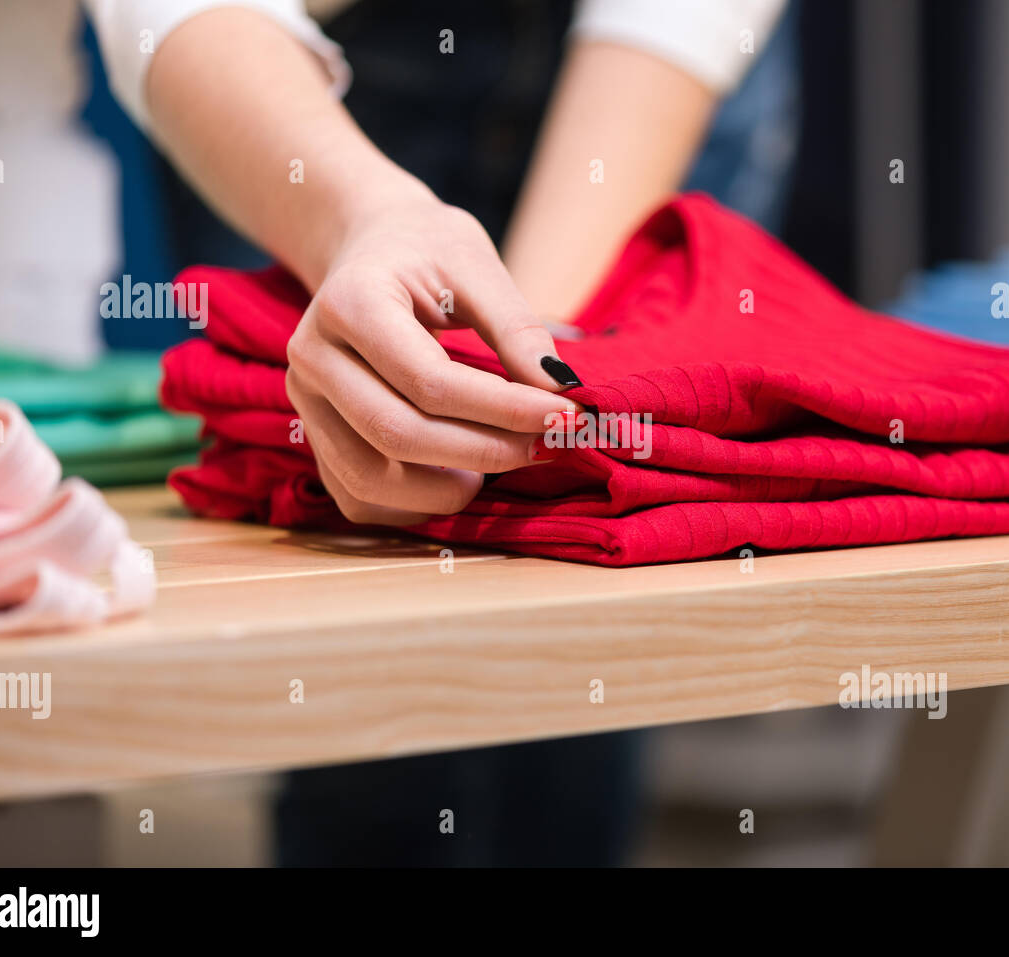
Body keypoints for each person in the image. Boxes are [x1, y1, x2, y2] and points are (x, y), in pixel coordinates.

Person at [84, 0, 797, 866]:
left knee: (584, 643)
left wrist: (531, 368)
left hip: (660, 50)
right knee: (360, 628)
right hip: (306, 47)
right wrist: (362, 219)